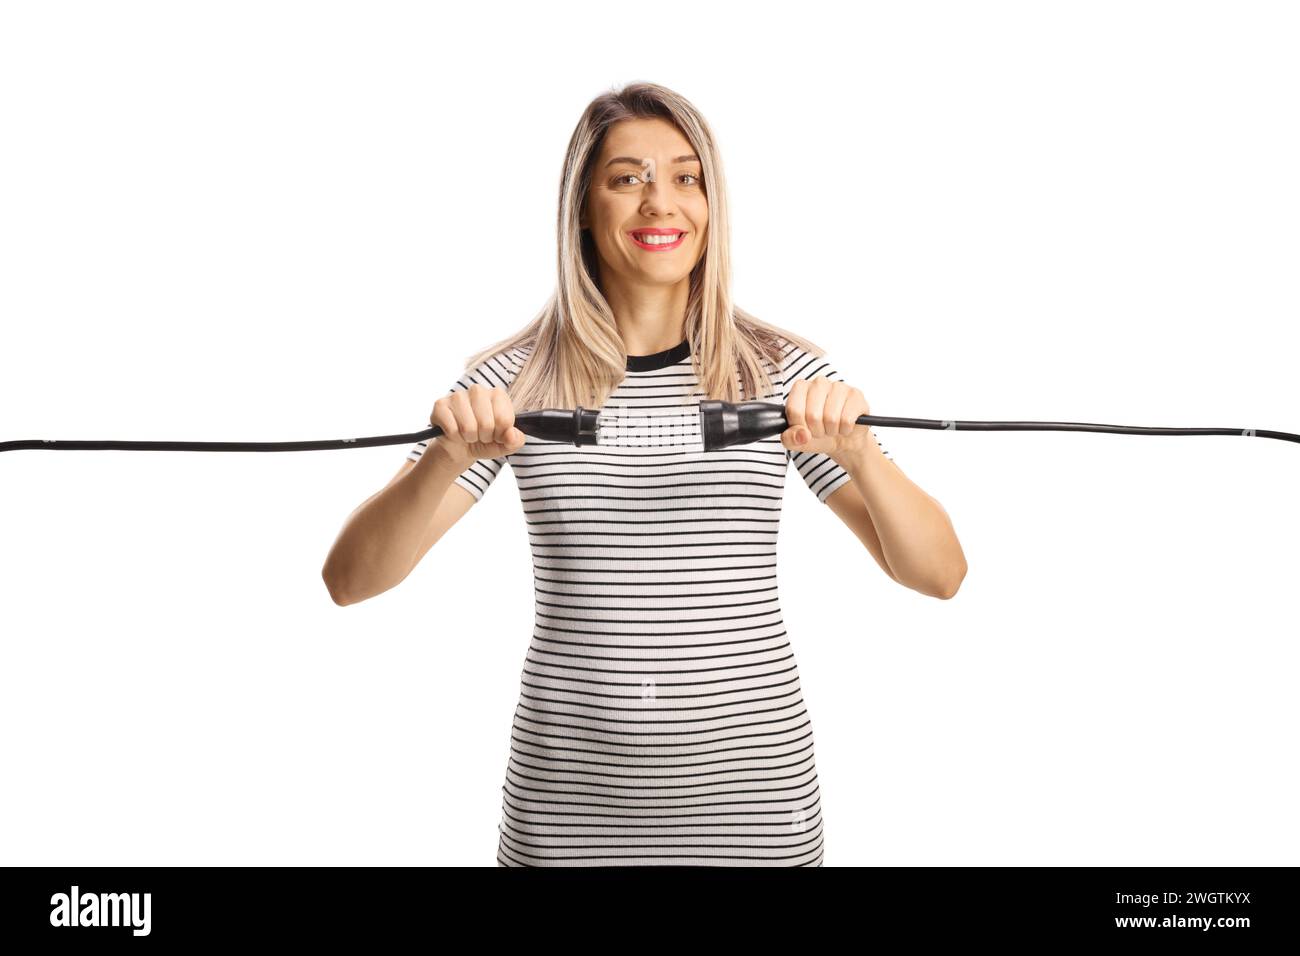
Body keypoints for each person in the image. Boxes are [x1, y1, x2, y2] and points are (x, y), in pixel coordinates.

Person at [321, 82, 967, 866]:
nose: (660, 203)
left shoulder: (778, 375)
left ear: (710, 206)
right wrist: (447, 457)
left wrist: (858, 450)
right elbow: (351, 581)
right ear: (584, 210)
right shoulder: (512, 384)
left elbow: (938, 574)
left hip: (755, 814)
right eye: (627, 179)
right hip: (565, 819)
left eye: (685, 178)